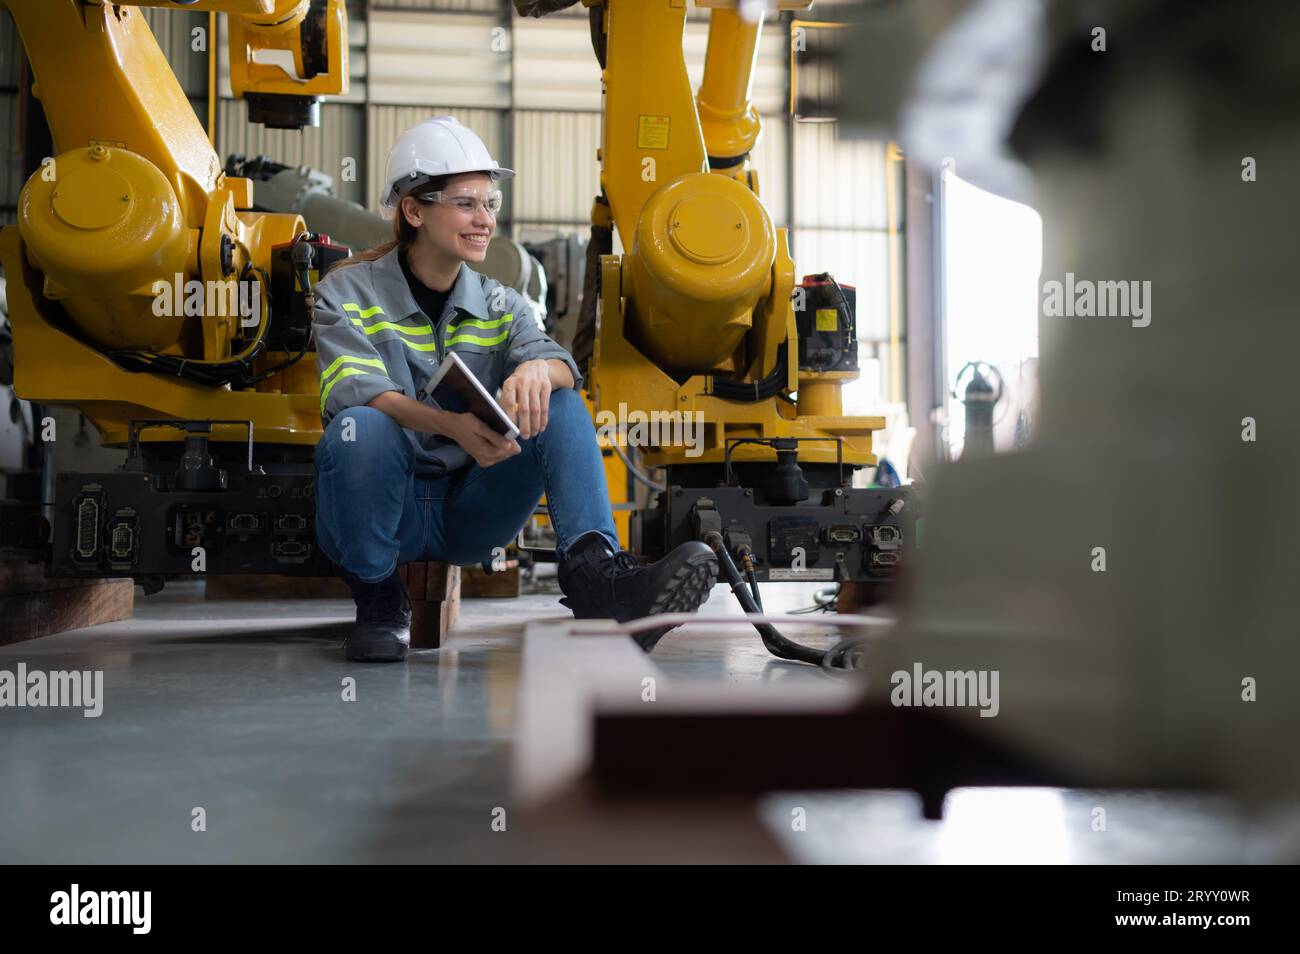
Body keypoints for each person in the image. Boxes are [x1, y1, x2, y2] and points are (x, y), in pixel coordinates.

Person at [312, 116, 717, 662]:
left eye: (490, 204)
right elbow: (361, 394)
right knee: (361, 428)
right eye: (467, 204)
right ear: (414, 209)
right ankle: (380, 599)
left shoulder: (500, 302)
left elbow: (561, 364)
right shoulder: (345, 292)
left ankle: (599, 580)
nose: (485, 221)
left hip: (470, 512)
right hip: (390, 506)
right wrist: (452, 425)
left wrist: (536, 372)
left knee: (562, 400)